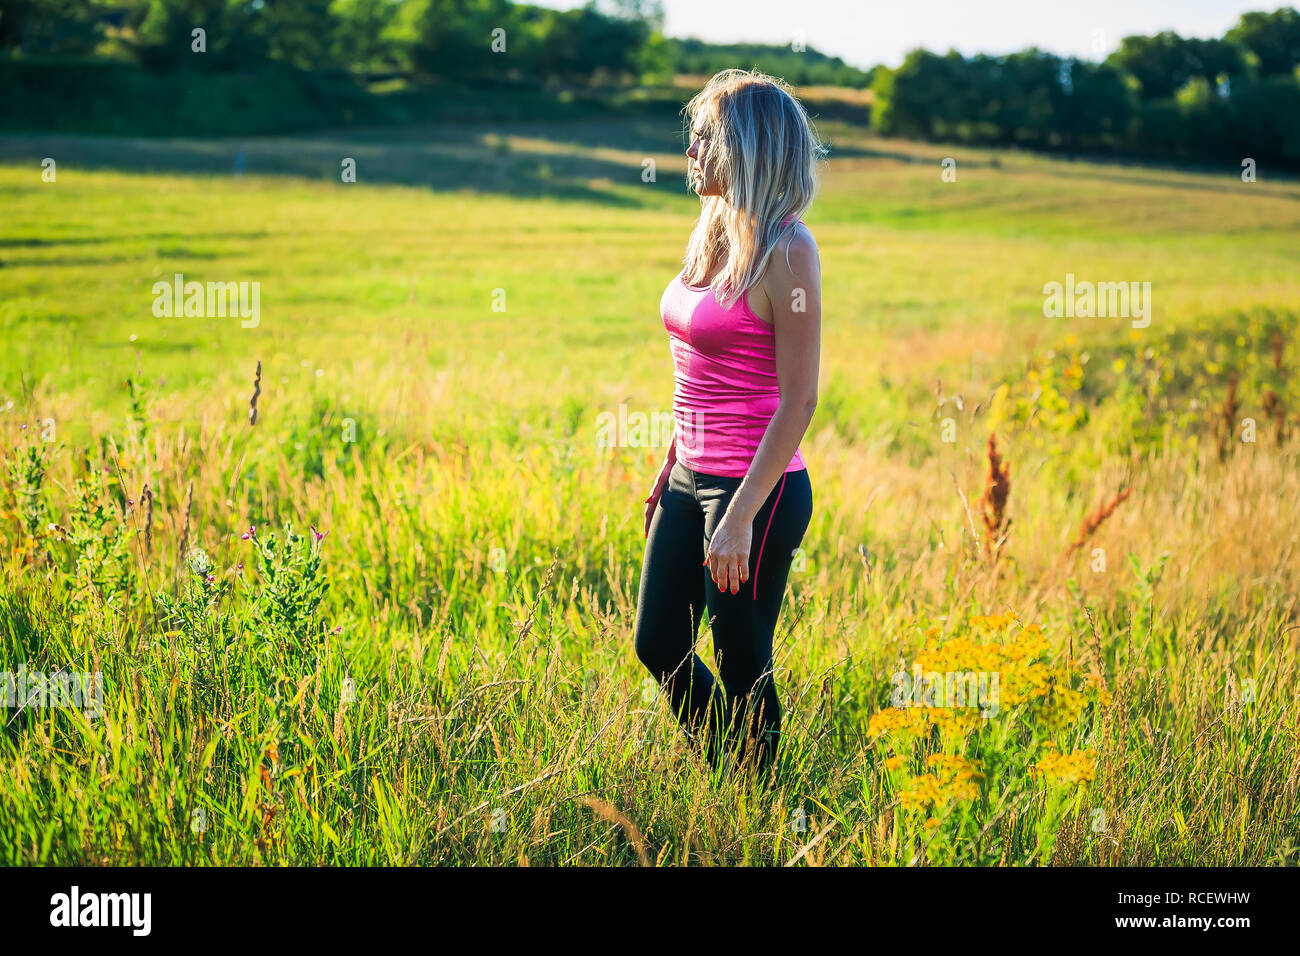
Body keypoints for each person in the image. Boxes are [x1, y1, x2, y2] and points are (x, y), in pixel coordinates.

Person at [633, 69, 826, 778]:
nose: (690, 152)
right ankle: (735, 772)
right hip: (691, 474)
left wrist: (740, 515)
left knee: (741, 661)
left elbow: (799, 400)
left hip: (758, 489)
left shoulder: (788, 250)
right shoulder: (713, 232)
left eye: (705, 138)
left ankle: (761, 799)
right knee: (659, 645)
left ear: (746, 148)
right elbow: (697, 376)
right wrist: (669, 465)